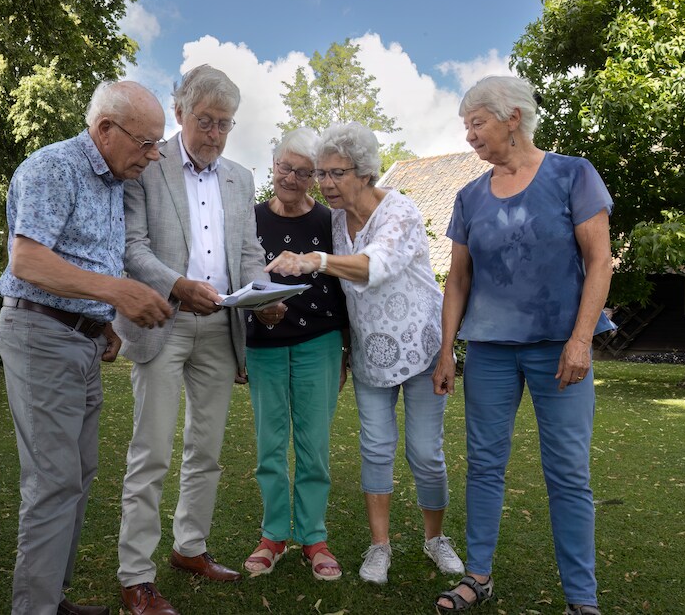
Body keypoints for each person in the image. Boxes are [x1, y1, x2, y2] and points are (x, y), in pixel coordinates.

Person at [431, 75, 615, 615]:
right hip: (489, 350)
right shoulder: (469, 197)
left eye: (477, 123)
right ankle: (477, 576)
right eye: (466, 126)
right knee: (484, 465)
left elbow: (600, 261)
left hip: (560, 348)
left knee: (568, 472)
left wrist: (581, 339)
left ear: (513, 117)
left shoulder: (572, 174)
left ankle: (581, 598)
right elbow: (458, 280)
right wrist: (447, 349)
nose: (470, 135)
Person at [0, 81, 173, 615]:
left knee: (78, 473)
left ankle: (51, 598)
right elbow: (27, 260)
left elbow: (86, 258)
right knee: (53, 481)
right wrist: (115, 293)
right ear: (105, 129)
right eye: (146, 143)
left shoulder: (112, 180)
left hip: (81, 337)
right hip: (41, 335)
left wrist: (101, 322)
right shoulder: (55, 168)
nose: (154, 155)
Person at [266, 122, 465, 587]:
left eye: (337, 173)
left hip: (421, 350)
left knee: (425, 453)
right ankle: (380, 546)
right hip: (370, 356)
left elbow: (377, 265)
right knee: (375, 449)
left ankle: (435, 538)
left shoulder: (400, 211)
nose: (326, 183)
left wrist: (314, 260)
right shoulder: (335, 219)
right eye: (322, 173)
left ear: (366, 172)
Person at [113, 64, 273, 615]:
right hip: (164, 318)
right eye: (206, 121)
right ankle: (136, 575)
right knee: (152, 452)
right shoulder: (149, 164)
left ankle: (190, 548)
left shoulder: (240, 178)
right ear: (180, 112)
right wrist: (179, 285)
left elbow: (248, 252)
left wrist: (264, 294)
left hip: (222, 326)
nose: (215, 134)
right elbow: (132, 247)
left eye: (225, 124)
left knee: (206, 451)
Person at [242, 128, 350, 581]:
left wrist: (345, 349)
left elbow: (345, 287)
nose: (291, 178)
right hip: (263, 345)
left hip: (318, 344)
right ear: (273, 165)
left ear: (314, 177)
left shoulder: (329, 221)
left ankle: (313, 537)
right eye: (284, 167)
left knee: (314, 446)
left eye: (304, 173)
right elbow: (236, 276)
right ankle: (273, 536)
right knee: (270, 446)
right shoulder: (248, 218)